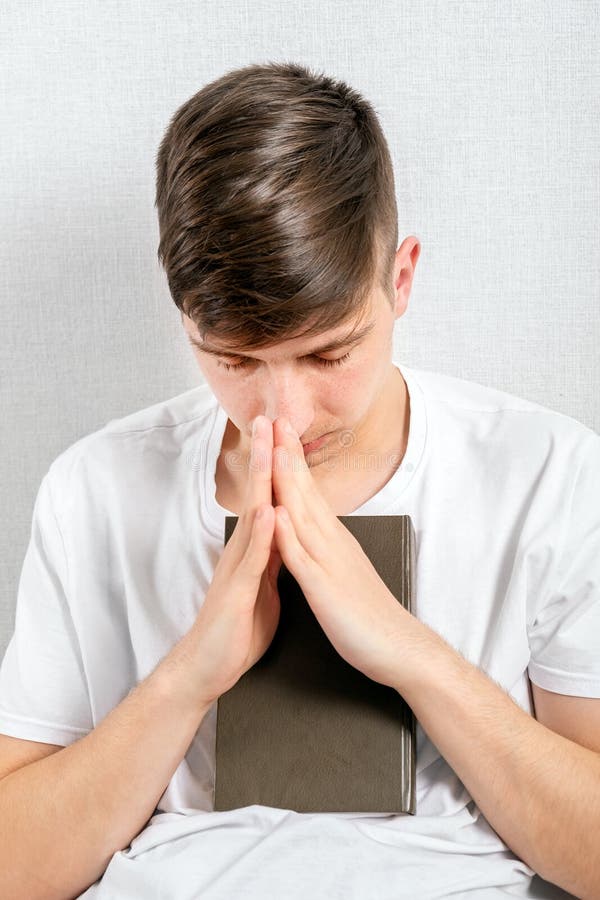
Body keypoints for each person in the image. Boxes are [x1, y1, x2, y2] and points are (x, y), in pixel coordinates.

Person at [0, 61, 599, 900]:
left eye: (329, 354)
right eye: (234, 360)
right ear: (185, 319)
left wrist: (409, 653)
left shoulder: (546, 474)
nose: (283, 415)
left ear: (401, 279)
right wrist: (191, 676)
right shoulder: (95, 490)